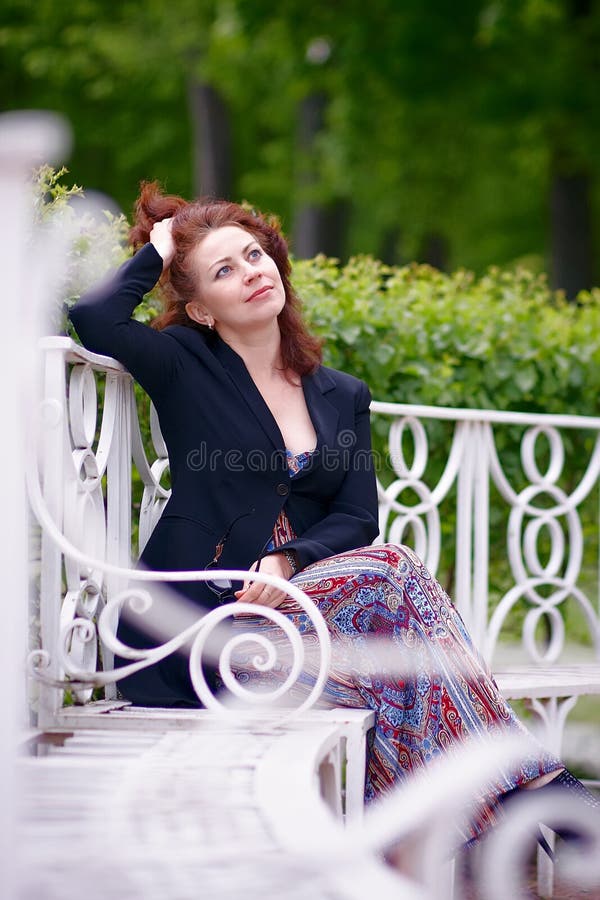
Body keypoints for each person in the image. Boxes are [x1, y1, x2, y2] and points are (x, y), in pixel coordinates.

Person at [70, 181, 597, 845]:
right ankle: (542, 796)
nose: (251, 273)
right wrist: (163, 247)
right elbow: (93, 321)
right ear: (202, 310)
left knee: (405, 669)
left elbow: (356, 518)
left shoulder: (340, 394)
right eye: (224, 270)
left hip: (297, 623)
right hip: (197, 624)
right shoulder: (184, 364)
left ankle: (468, 832)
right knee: (395, 576)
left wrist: (290, 560)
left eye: (255, 256)